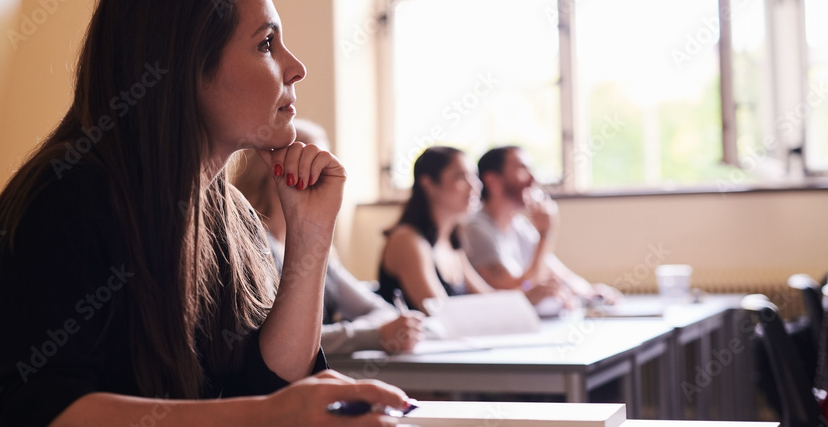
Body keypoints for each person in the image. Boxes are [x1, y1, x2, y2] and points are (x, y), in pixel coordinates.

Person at [0, 0, 409, 427]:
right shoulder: (65, 197)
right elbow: (31, 418)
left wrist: (310, 235)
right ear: (182, 68)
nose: (295, 68)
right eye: (265, 45)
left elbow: (268, 383)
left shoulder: (227, 212)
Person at [232, 119, 425, 355]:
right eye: (314, 164)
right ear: (276, 170)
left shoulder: (315, 246)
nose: (326, 176)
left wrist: (350, 333)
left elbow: (381, 311)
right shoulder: (251, 245)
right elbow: (271, 342)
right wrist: (371, 335)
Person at [460, 145, 621, 313]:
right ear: (492, 180)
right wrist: (545, 234)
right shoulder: (476, 229)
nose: (532, 179)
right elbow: (518, 287)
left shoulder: (519, 226)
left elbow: (555, 272)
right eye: (522, 169)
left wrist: (590, 292)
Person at [377, 146, 495, 314]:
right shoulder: (407, 239)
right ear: (429, 184)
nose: (475, 186)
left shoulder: (451, 240)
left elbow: (488, 298)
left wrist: (525, 297)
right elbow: (440, 314)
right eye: (460, 177)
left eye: (474, 176)